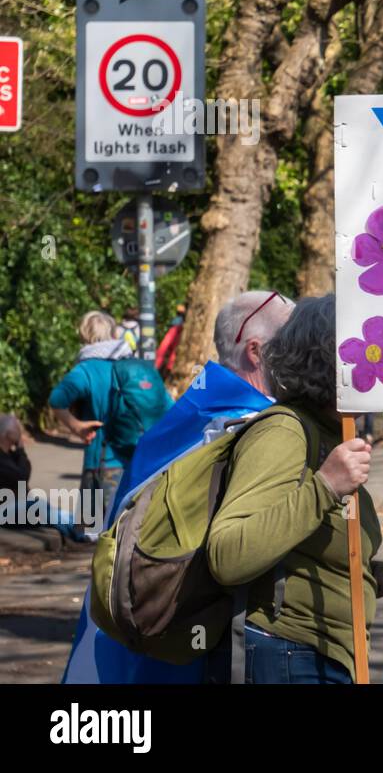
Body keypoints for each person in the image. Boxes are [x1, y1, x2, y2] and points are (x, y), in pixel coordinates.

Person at [208, 295, 383, 683]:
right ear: (331, 363)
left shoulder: (327, 433)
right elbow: (228, 555)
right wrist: (326, 486)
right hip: (286, 655)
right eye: (374, 357)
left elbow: (307, 551)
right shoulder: (284, 430)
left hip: (318, 655)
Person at [62, 289, 295, 684]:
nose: (300, 355)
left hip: (132, 637)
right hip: (183, 644)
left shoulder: (191, 413)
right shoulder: (246, 428)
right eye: (291, 344)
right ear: (256, 351)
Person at [48, 311, 140, 529]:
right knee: (129, 531)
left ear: (84, 336)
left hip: (102, 461)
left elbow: (56, 400)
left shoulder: (86, 370)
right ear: (113, 333)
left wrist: (76, 426)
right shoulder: (134, 366)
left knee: (95, 532)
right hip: (139, 457)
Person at [0, 414, 31, 501]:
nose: (20, 433)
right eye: (17, 429)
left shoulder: (9, 453)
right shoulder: (2, 460)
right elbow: (22, 478)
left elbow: (26, 467)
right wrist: (20, 447)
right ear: (8, 433)